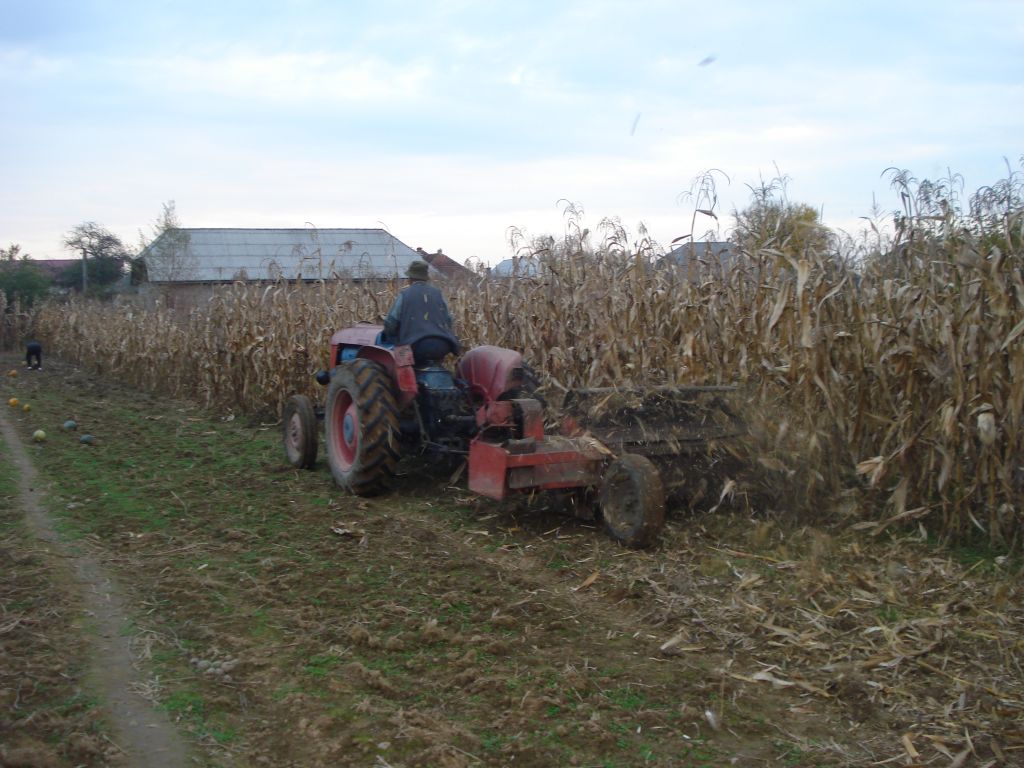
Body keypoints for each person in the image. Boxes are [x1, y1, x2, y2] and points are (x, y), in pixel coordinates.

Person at [383, 260, 460, 364]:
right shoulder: (438, 294)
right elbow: (449, 320)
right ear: (425, 278)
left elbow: (391, 322)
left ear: (410, 278)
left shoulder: (405, 295)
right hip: (442, 346)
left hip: (414, 347)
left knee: (394, 351)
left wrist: (389, 334)